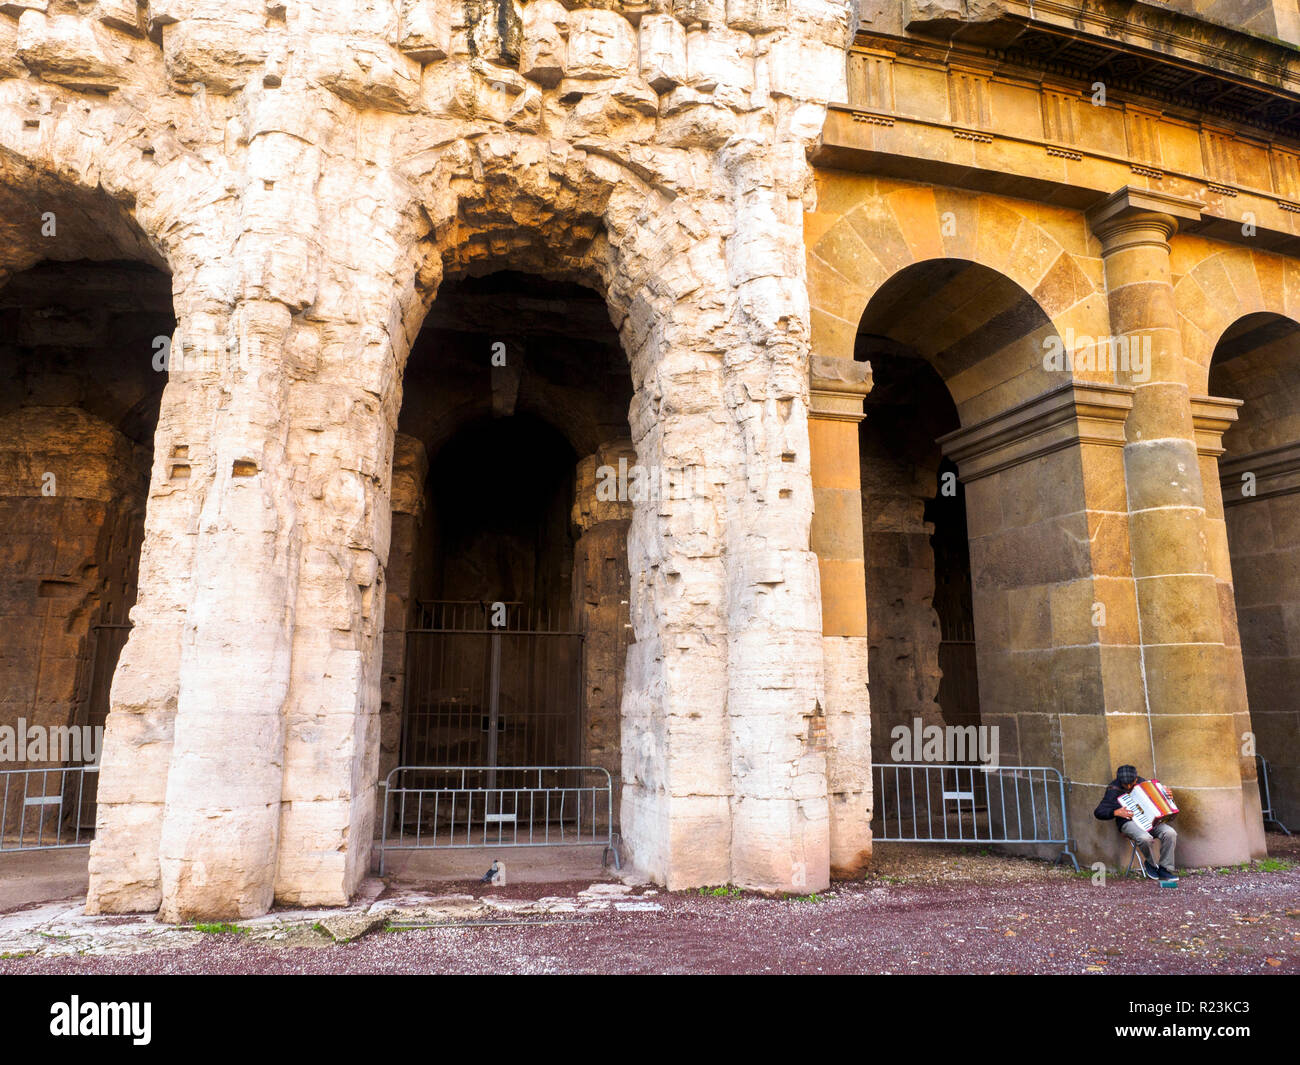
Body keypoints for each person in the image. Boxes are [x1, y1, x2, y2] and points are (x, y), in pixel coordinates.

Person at [1094, 764, 1177, 881]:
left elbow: (1164, 802)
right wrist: (1115, 812)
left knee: (1170, 833)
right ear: (1119, 781)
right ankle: (1151, 864)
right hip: (1128, 823)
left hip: (1151, 821)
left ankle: (1164, 869)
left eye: (1131, 784)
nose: (1128, 786)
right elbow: (1099, 812)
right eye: (1125, 785)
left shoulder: (1145, 785)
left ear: (1136, 779)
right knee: (1145, 838)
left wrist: (1168, 796)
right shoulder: (1113, 790)